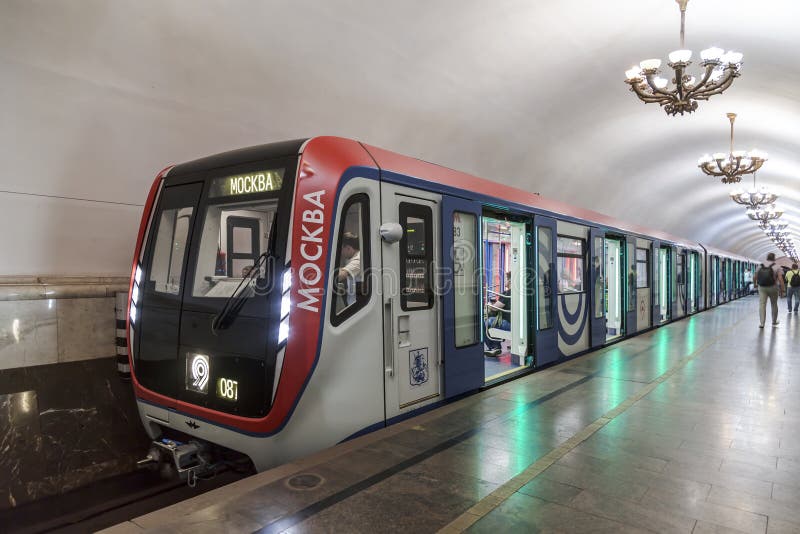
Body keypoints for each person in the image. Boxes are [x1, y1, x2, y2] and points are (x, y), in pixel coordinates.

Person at [484, 272, 511, 357]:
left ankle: (494, 347)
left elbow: (495, 308)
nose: (505, 281)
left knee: (486, 322)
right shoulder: (515, 292)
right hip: (515, 324)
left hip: (509, 324)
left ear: (510, 281)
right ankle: (495, 345)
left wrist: (488, 304)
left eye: (506, 279)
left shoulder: (508, 293)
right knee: (493, 321)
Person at [336, 232, 361, 307]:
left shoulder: (358, 259)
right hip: (352, 303)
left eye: (341, 249)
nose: (340, 253)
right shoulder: (352, 258)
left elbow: (340, 276)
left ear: (348, 248)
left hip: (357, 306)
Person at [755, 252, 780, 328]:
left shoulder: (760, 266)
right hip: (773, 287)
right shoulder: (776, 266)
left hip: (762, 287)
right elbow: (780, 279)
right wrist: (783, 289)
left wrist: (755, 284)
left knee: (762, 305)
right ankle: (774, 321)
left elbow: (755, 277)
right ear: (774, 258)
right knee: (774, 304)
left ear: (767, 258)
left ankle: (762, 323)